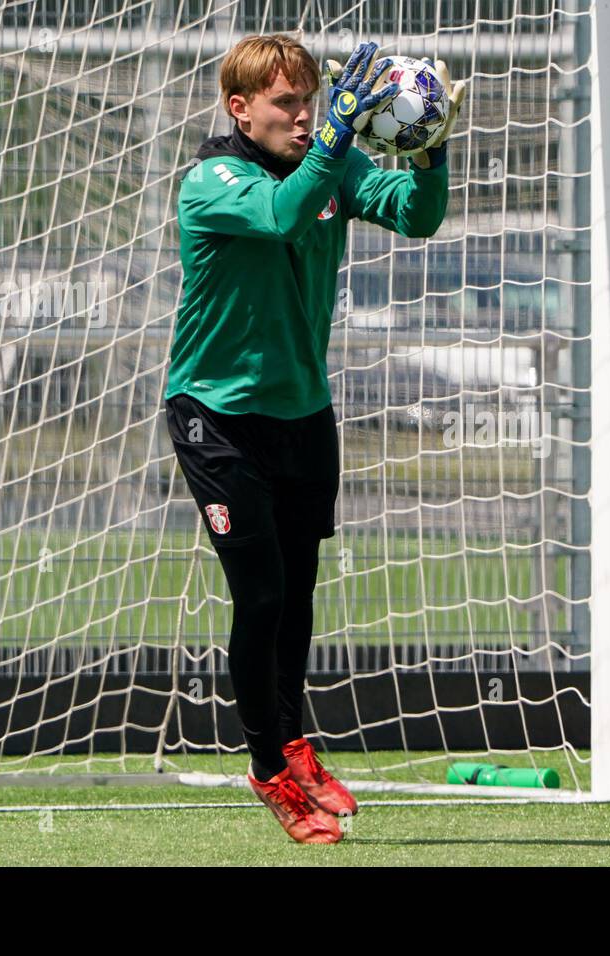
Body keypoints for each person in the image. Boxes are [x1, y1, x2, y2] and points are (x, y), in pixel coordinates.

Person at [163, 33, 466, 844]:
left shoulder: (330, 165)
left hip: (303, 416)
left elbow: (418, 217)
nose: (304, 118)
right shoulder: (212, 180)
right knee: (258, 595)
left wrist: (430, 148)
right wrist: (337, 134)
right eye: (286, 106)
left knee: (296, 594)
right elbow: (284, 211)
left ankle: (294, 741)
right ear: (241, 110)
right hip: (215, 416)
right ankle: (266, 766)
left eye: (311, 101)